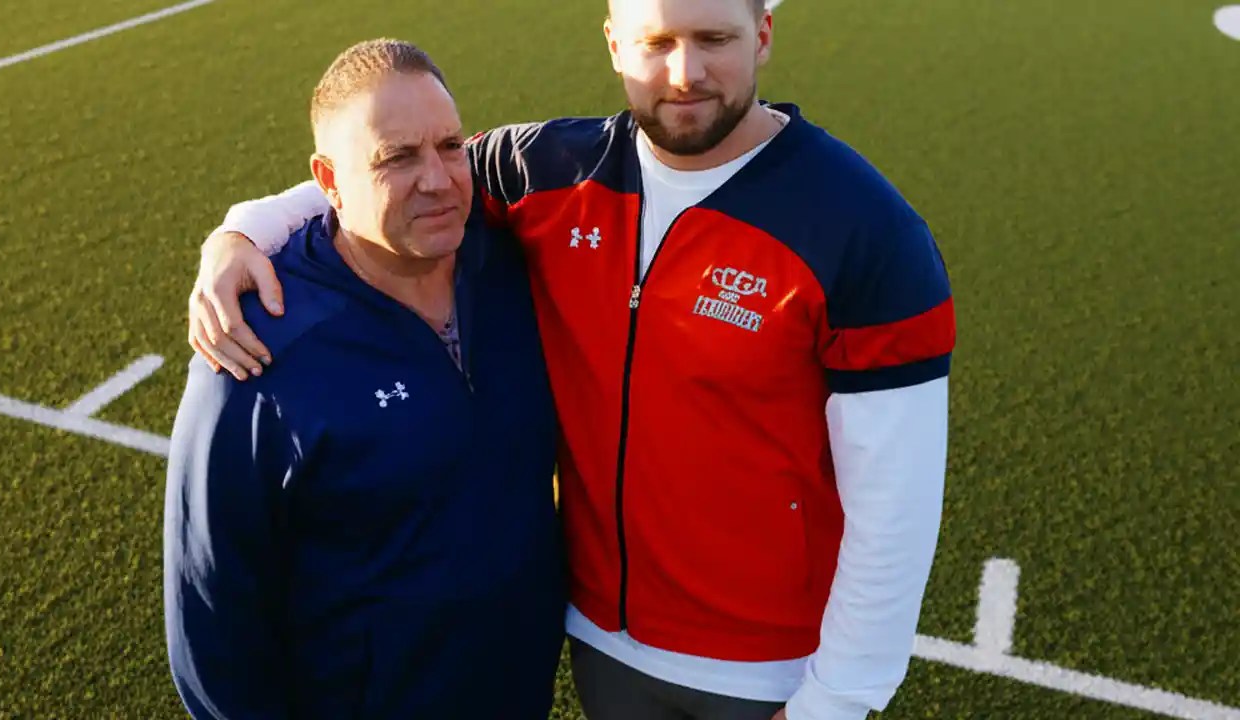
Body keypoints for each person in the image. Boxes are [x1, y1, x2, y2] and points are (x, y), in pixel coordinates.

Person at [188, 1, 957, 718]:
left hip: (769, 672)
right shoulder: (548, 169)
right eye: (657, 42)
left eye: (713, 39)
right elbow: (389, 177)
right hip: (601, 647)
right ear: (616, 45)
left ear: (762, 35)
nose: (684, 72)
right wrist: (243, 232)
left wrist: (838, 698)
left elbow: (899, 505)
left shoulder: (866, 229)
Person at [163, 39, 564, 719]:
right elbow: (211, 615)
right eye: (396, 158)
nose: (437, 179)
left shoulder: (515, 260)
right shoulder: (255, 347)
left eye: (448, 145)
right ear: (328, 179)